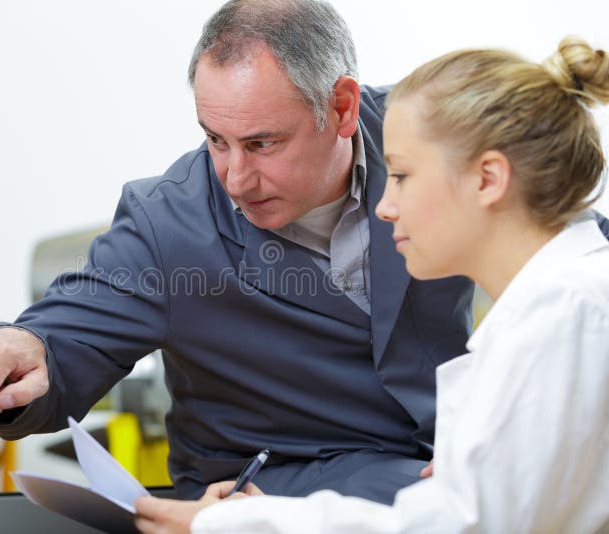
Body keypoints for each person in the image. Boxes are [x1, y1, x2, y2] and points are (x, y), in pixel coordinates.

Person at [0, 0, 592, 503]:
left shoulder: (427, 144)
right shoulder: (167, 223)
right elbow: (66, 334)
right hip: (269, 493)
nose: (234, 177)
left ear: (343, 108)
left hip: (455, 465)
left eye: (263, 143)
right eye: (214, 139)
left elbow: (555, 242)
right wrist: (26, 354)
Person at [133, 36, 609, 533]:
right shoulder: (563, 298)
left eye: (401, 175)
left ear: (488, 179)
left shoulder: (563, 311)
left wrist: (231, 525)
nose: (383, 205)